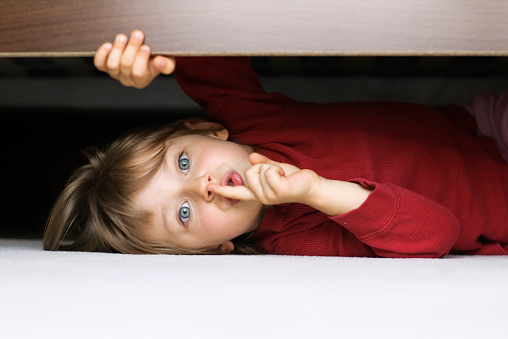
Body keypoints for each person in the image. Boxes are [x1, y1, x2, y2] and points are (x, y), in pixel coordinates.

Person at [43, 30, 508, 257]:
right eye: (183, 213)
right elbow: (437, 234)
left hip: (479, 125)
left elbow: (198, 30)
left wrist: (148, 56)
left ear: (205, 129)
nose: (202, 186)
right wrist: (314, 191)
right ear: (215, 251)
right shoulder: (295, 240)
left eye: (182, 162)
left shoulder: (248, 119)